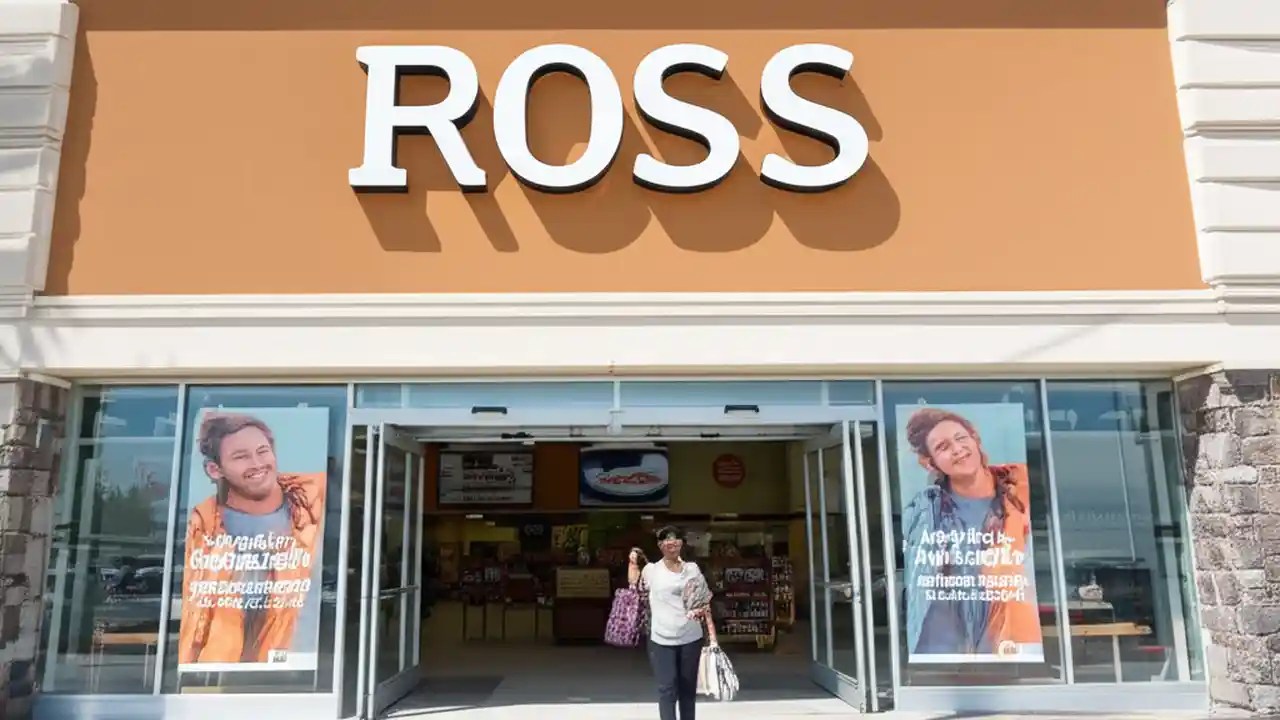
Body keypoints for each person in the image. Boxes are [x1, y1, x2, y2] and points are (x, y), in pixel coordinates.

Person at [179, 412, 326, 664]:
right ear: (215, 470)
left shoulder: (316, 499)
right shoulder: (204, 526)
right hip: (233, 670)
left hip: (303, 664)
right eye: (241, 457)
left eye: (263, 451)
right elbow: (197, 617)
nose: (257, 463)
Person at [900, 407, 1039, 658]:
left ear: (975, 438)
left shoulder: (1023, 488)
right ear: (930, 463)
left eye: (961, 438)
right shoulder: (926, 513)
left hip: (1017, 641)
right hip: (953, 645)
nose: (957, 449)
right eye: (943, 446)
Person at [628, 525, 708, 720]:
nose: (672, 544)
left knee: (687, 691)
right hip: (661, 639)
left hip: (690, 637)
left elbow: (704, 602)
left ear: (681, 544)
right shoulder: (651, 570)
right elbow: (632, 584)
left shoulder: (692, 569)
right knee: (667, 689)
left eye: (676, 540)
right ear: (660, 546)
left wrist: (711, 636)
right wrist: (632, 562)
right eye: (666, 541)